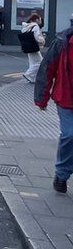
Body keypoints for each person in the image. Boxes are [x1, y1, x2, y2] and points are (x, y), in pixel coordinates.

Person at [34, 24, 73, 193]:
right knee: (70, 134)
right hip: (66, 98)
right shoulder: (63, 41)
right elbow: (47, 69)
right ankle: (62, 174)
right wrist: (42, 99)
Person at [21, 13, 46, 84]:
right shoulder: (35, 26)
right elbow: (37, 38)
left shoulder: (26, 26)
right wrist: (43, 39)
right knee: (41, 63)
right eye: (40, 19)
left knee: (33, 63)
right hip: (34, 47)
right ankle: (28, 74)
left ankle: (32, 78)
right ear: (36, 20)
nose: (41, 21)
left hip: (27, 46)